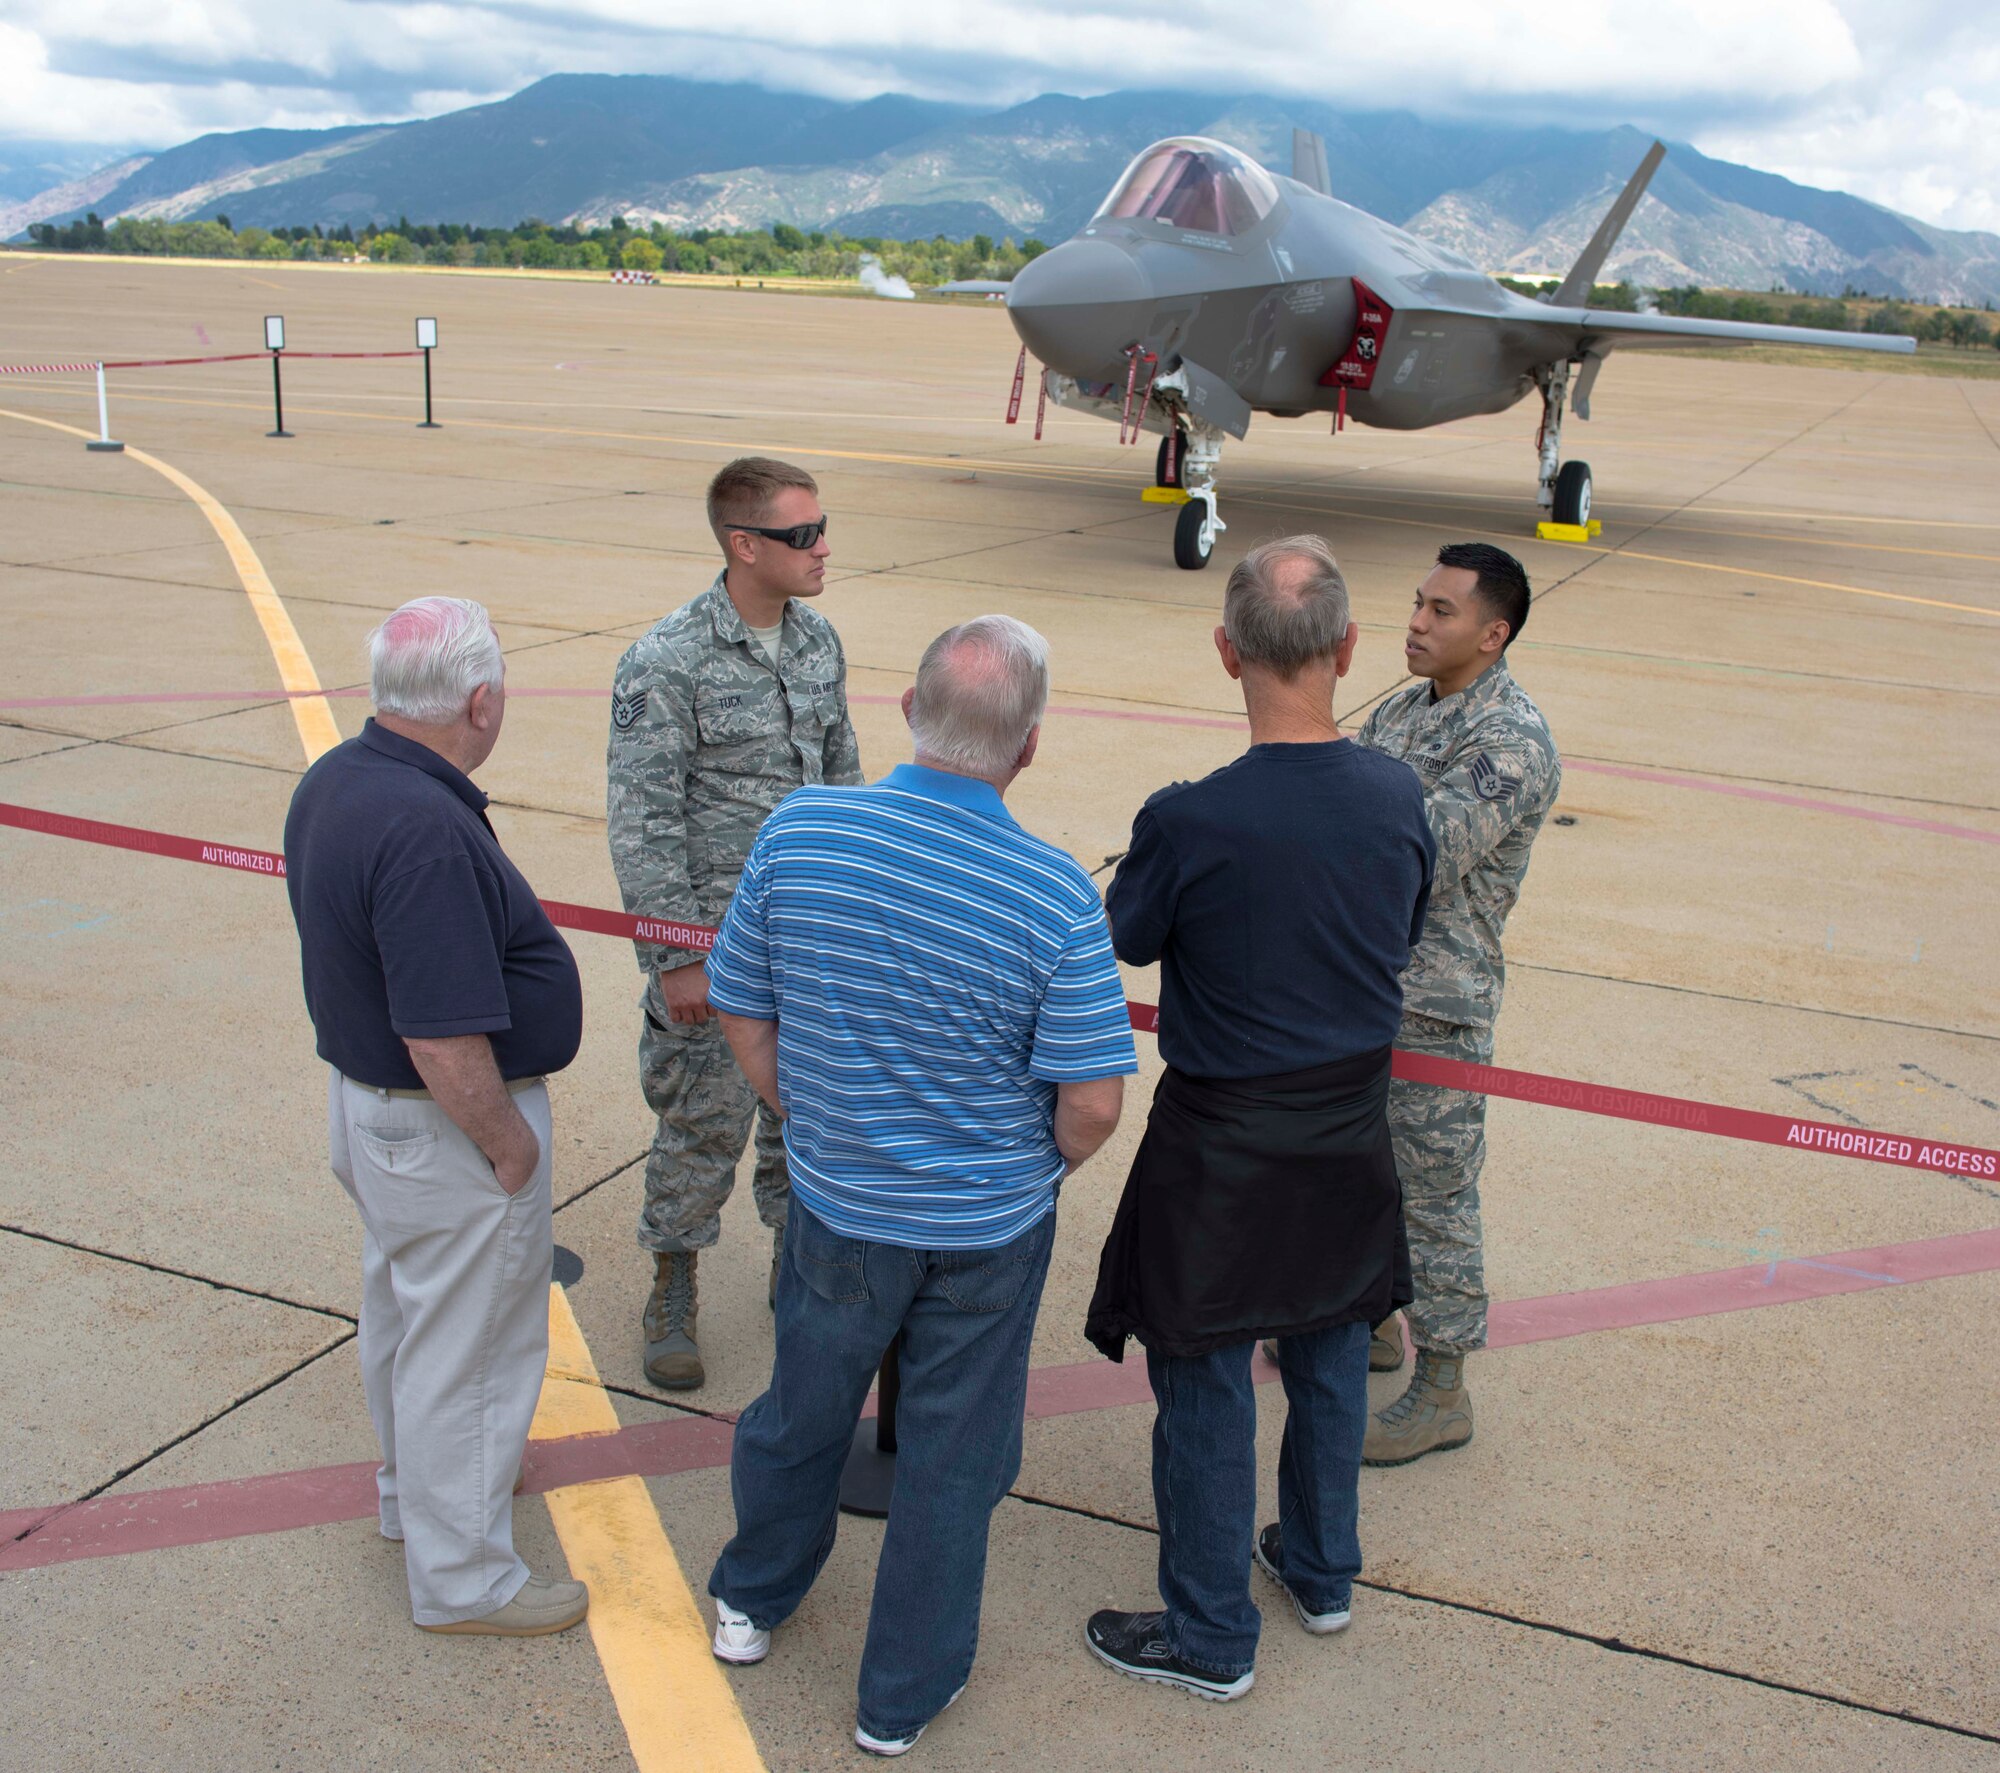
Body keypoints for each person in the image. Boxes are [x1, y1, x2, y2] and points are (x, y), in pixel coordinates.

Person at [701, 616, 1136, 1757]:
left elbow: (737, 994)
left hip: (838, 1207)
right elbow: (1093, 1104)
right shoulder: (1051, 895)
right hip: (986, 1230)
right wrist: (1027, 1170)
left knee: (802, 1402)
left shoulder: (802, 831)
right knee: (953, 1455)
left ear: (905, 709)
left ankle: (752, 1598)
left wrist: (798, 1107)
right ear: (1028, 748)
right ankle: (898, 1697)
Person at [1083, 536, 1434, 1702]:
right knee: (1333, 1343)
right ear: (1344, 650)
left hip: (1224, 1138)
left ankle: (1207, 1632)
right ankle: (1323, 1569)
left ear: (1225, 651)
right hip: (1345, 1129)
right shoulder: (1396, 795)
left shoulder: (1190, 818)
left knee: (1202, 1374)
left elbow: (1123, 939)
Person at [284, 596, 587, 1636]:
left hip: (375, 1114)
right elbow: (444, 1036)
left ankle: (412, 1502)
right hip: (441, 1125)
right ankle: (467, 1582)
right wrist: (506, 1148)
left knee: (410, 1319)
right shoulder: (421, 827)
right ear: (480, 700)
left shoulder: (342, 778)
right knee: (472, 1352)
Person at [607, 456, 864, 1390]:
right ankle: (672, 1280)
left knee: (804, 1125)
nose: (823, 546)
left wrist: (853, 913)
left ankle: (796, 1275)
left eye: (824, 527)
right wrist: (677, 958)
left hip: (806, 939)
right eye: (803, 535)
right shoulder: (667, 658)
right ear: (743, 545)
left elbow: (843, 785)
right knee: (701, 1121)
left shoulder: (818, 643)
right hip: (715, 948)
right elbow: (643, 821)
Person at [1355, 541, 1561, 1466]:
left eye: (1440, 611)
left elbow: (1415, 850)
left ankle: (1443, 1389)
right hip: (1363, 989)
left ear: (1493, 632)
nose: (1416, 622)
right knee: (1358, 1175)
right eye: (1415, 603)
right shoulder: (1400, 710)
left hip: (1437, 1009)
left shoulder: (1511, 741)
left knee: (1435, 1197)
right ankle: (1373, 1324)